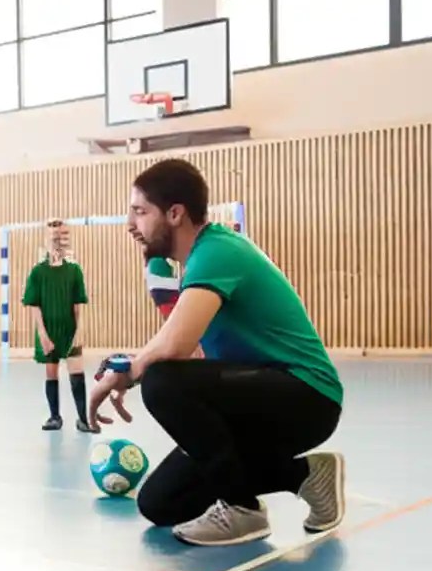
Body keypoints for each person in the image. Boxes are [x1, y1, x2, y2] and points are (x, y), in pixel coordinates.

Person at [88, 159, 345, 547]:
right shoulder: (200, 262)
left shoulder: (217, 252)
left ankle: (243, 510)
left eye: (140, 211)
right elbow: (190, 356)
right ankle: (304, 476)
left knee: (160, 380)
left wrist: (127, 372)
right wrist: (130, 365)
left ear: (175, 213)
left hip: (307, 397)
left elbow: (174, 346)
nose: (130, 225)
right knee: (161, 503)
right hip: (260, 399)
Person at [22, 218, 91, 433]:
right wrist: (43, 335)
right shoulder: (37, 272)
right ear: (46, 240)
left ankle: (83, 419)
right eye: (54, 237)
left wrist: (79, 331)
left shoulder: (74, 271)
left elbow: (78, 305)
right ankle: (54, 417)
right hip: (49, 330)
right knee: (51, 373)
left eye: (62, 236)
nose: (58, 241)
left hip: (70, 330)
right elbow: (35, 305)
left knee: (77, 372)